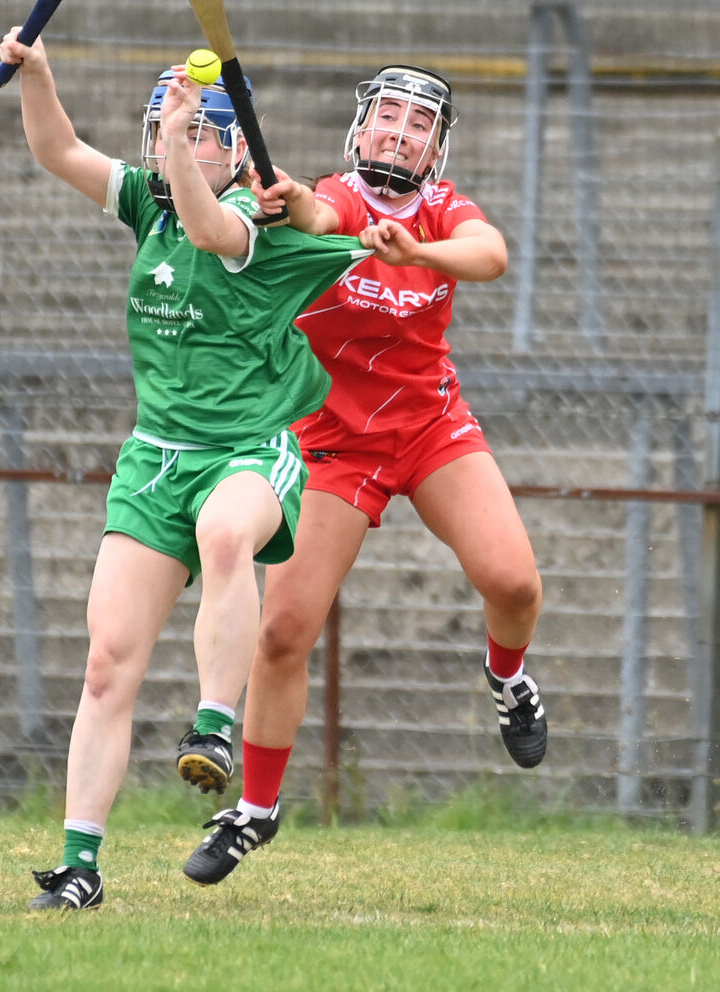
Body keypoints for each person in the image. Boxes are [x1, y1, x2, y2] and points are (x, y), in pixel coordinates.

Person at [0, 27, 381, 910]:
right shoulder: (147, 202)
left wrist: (176, 148)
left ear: (235, 148)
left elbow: (210, 231)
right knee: (107, 665)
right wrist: (39, 74)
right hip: (155, 461)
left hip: (249, 451)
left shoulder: (248, 222)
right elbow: (56, 147)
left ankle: (215, 725)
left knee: (223, 532)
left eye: (201, 132)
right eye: (172, 129)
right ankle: (80, 867)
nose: (179, 141)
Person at [182, 64, 547, 886]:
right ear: (361, 127)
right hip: (333, 444)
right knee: (283, 632)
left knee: (515, 585)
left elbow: (490, 256)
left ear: (436, 146)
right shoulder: (338, 197)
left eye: (418, 124)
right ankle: (257, 811)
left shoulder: (445, 212)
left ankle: (508, 676)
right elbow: (313, 211)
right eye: (388, 116)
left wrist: (418, 249)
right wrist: (287, 202)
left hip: (429, 426)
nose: (399, 133)